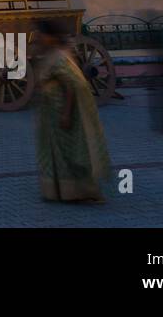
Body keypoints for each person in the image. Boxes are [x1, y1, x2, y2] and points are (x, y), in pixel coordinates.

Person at [32, 19, 112, 203]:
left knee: (71, 154)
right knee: (56, 153)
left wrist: (66, 114)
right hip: (50, 114)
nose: (38, 37)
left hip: (62, 112)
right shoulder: (50, 54)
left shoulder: (60, 57)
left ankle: (85, 191)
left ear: (51, 37)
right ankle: (61, 192)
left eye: (41, 34)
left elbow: (72, 85)